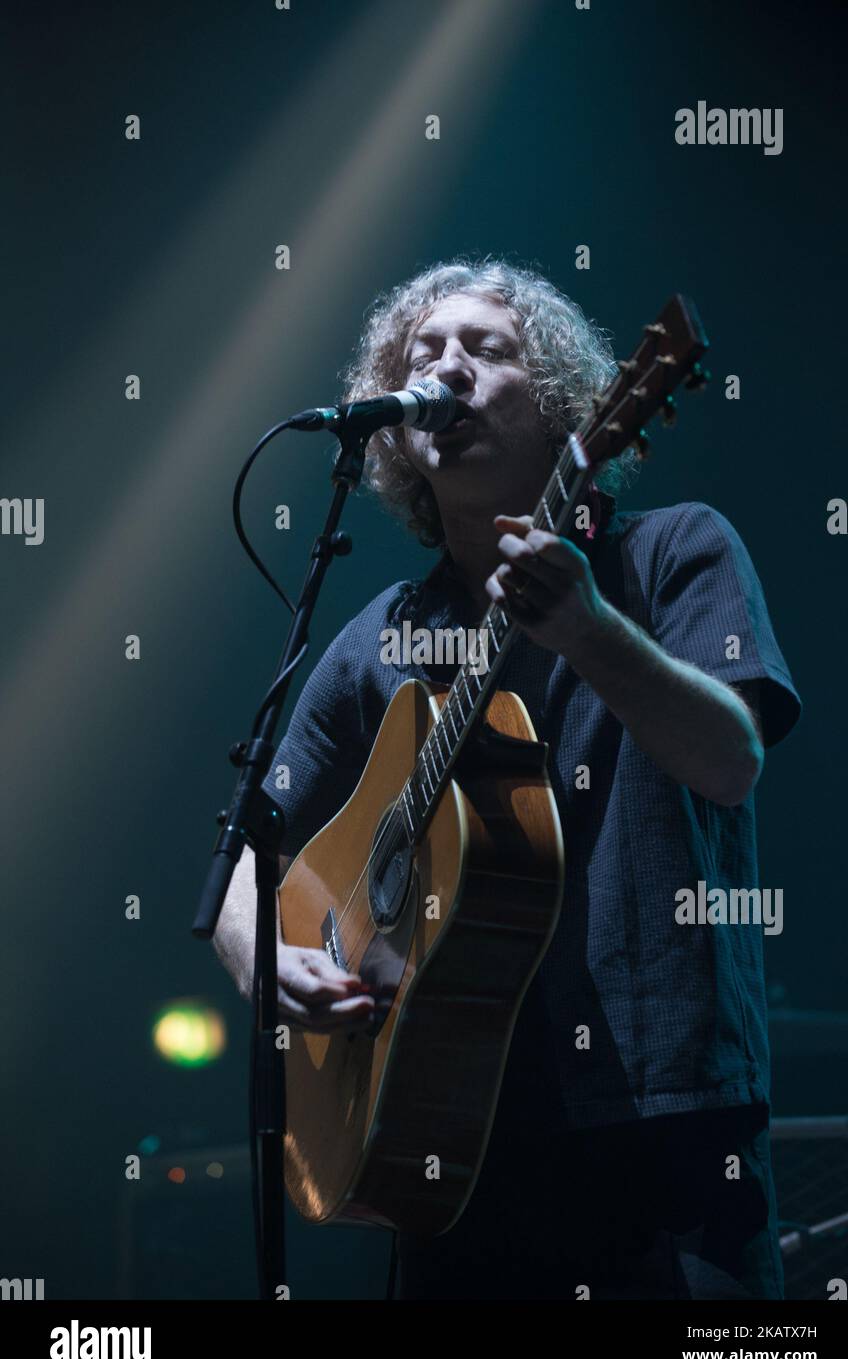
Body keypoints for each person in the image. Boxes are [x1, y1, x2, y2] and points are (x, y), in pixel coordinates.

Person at [214, 257, 801, 1300]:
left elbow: (729, 759)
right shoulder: (381, 636)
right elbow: (242, 866)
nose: (445, 369)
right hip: (440, 1134)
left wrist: (588, 630)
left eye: (485, 349)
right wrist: (273, 968)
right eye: (422, 355)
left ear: (570, 408)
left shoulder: (674, 553)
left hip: (661, 1131)